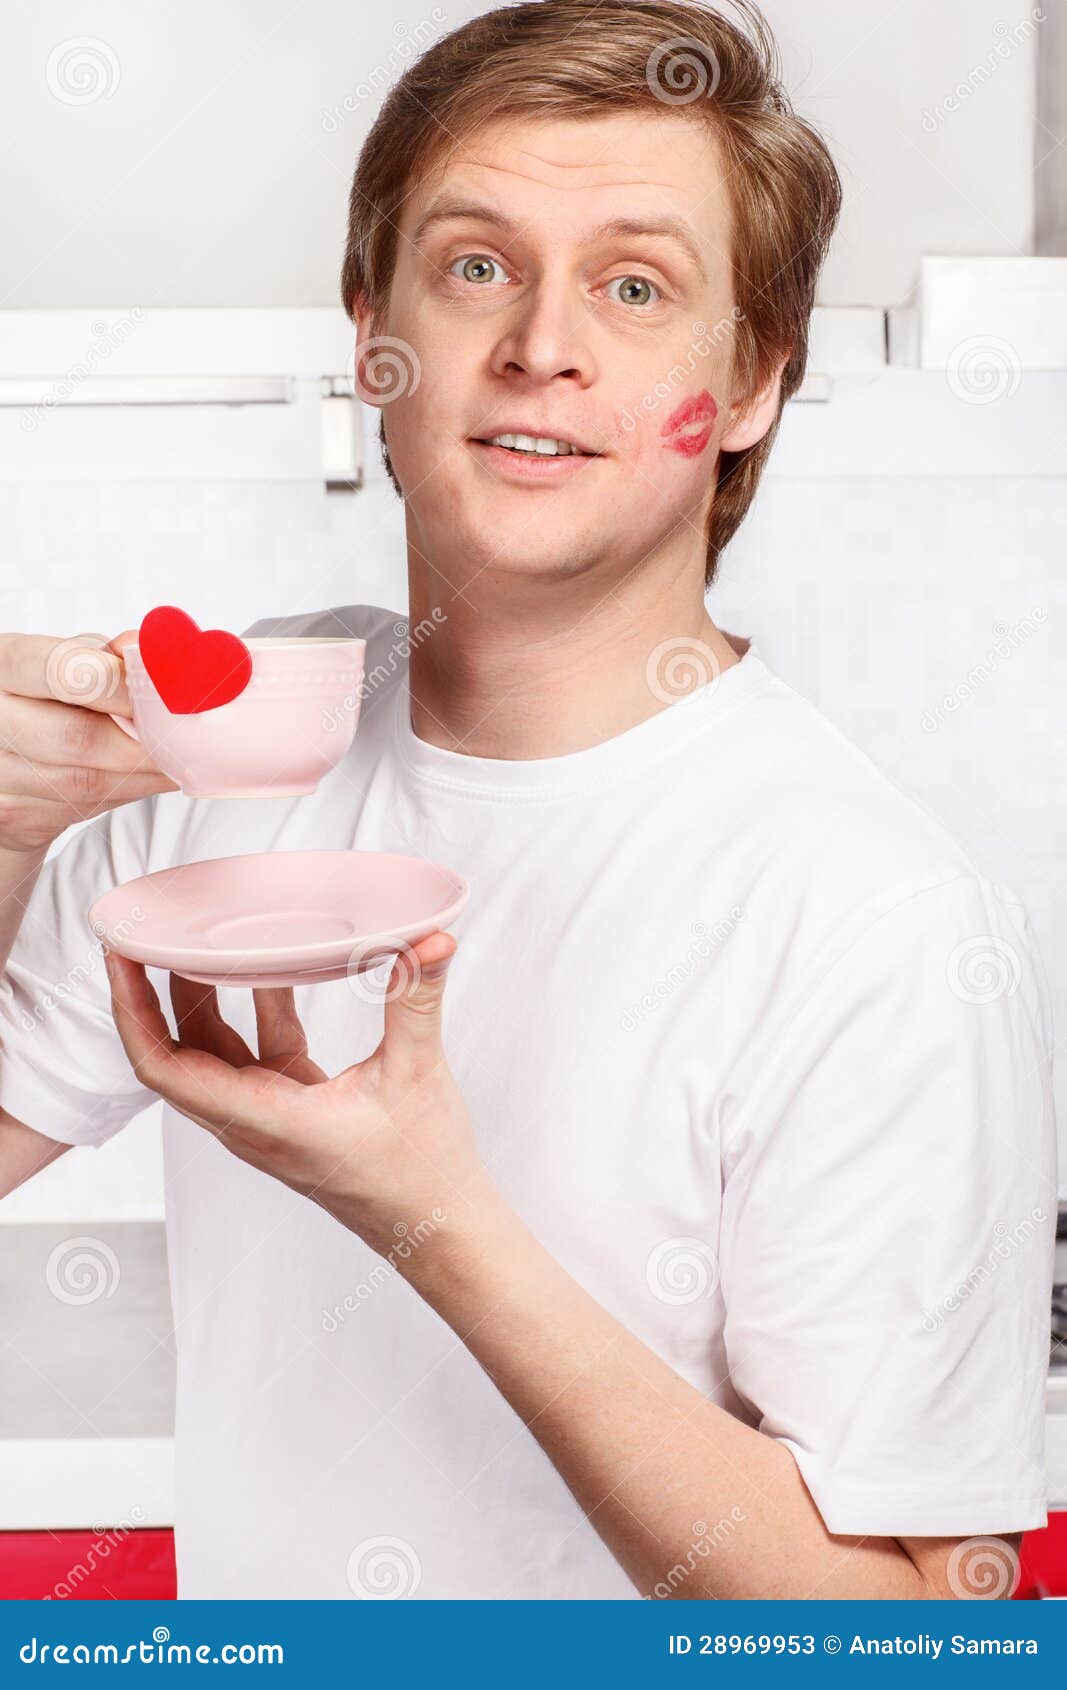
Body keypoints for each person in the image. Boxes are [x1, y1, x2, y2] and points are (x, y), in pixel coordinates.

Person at [0, 0, 1056, 1601]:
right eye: (477, 262)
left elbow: (906, 1634)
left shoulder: (876, 918)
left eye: (636, 286)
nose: (540, 342)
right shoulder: (230, 758)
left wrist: (436, 1221)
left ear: (757, 380)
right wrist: (10, 838)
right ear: (371, 330)